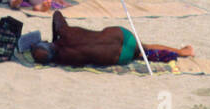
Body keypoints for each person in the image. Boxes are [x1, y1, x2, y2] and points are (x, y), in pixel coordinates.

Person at [31, 9, 193, 68]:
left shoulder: (65, 59)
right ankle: (181, 51)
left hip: (120, 56)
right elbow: (57, 14)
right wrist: (55, 34)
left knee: (142, 52)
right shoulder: (66, 33)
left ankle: (181, 52)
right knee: (145, 46)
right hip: (120, 35)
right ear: (48, 44)